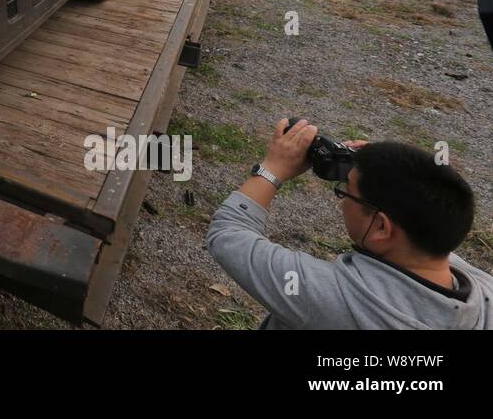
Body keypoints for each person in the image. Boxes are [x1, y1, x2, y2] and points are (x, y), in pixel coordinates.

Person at [206, 118, 493, 329]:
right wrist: (383, 166)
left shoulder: (334, 299)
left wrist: (273, 169)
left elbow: (229, 233)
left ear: (381, 227)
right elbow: (427, 215)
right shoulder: (481, 296)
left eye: (345, 190)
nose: (343, 200)